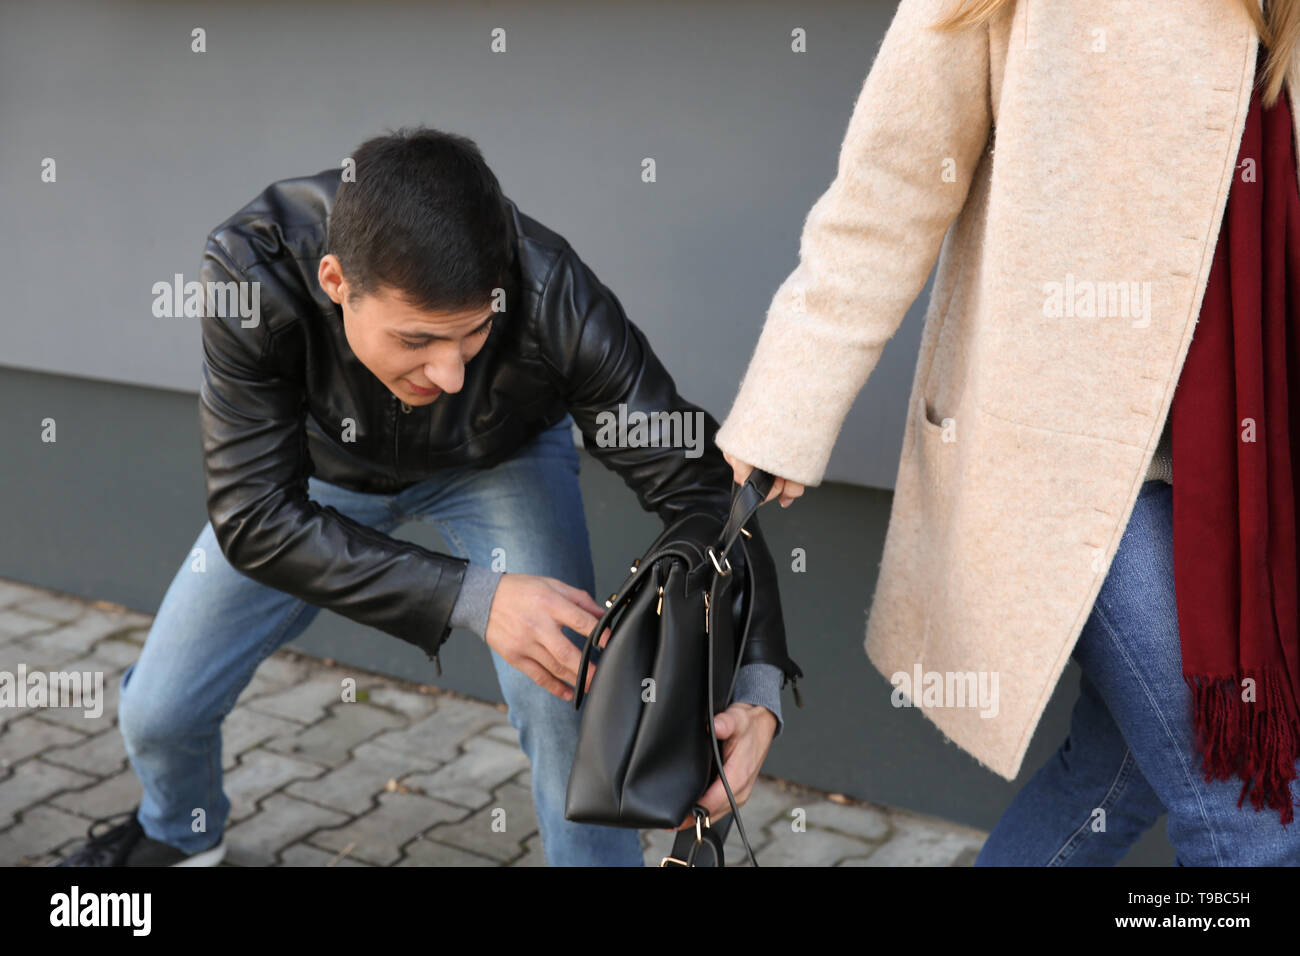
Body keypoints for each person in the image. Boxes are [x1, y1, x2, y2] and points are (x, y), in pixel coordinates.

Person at [54, 127, 802, 867]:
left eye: (472, 336)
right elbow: (253, 517)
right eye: (416, 340)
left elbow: (701, 485)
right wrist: (477, 598)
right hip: (309, 486)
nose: (448, 374)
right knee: (156, 709)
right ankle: (178, 833)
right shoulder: (250, 267)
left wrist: (759, 681)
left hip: (498, 462)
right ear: (335, 281)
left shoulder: (551, 291)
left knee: (563, 691)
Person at [717, 0, 1300, 864]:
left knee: (1112, 777)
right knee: (1257, 819)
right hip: (1073, 466)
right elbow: (894, 183)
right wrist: (788, 401)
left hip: (1247, 466)